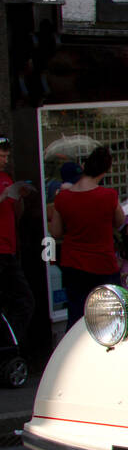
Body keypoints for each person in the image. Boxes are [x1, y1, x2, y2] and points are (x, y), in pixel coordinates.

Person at [50, 146, 124, 327]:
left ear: (84, 166)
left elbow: (56, 232)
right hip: (103, 263)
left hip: (73, 263)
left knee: (76, 315)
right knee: (109, 316)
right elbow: (120, 221)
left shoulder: (63, 198)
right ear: (106, 170)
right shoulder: (109, 196)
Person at [0, 137, 36, 346]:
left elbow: (16, 215)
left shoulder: (6, 176)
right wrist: (5, 195)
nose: (5, 160)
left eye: (7, 156)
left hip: (9, 249)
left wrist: (19, 197)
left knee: (24, 301)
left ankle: (10, 343)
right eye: (2, 156)